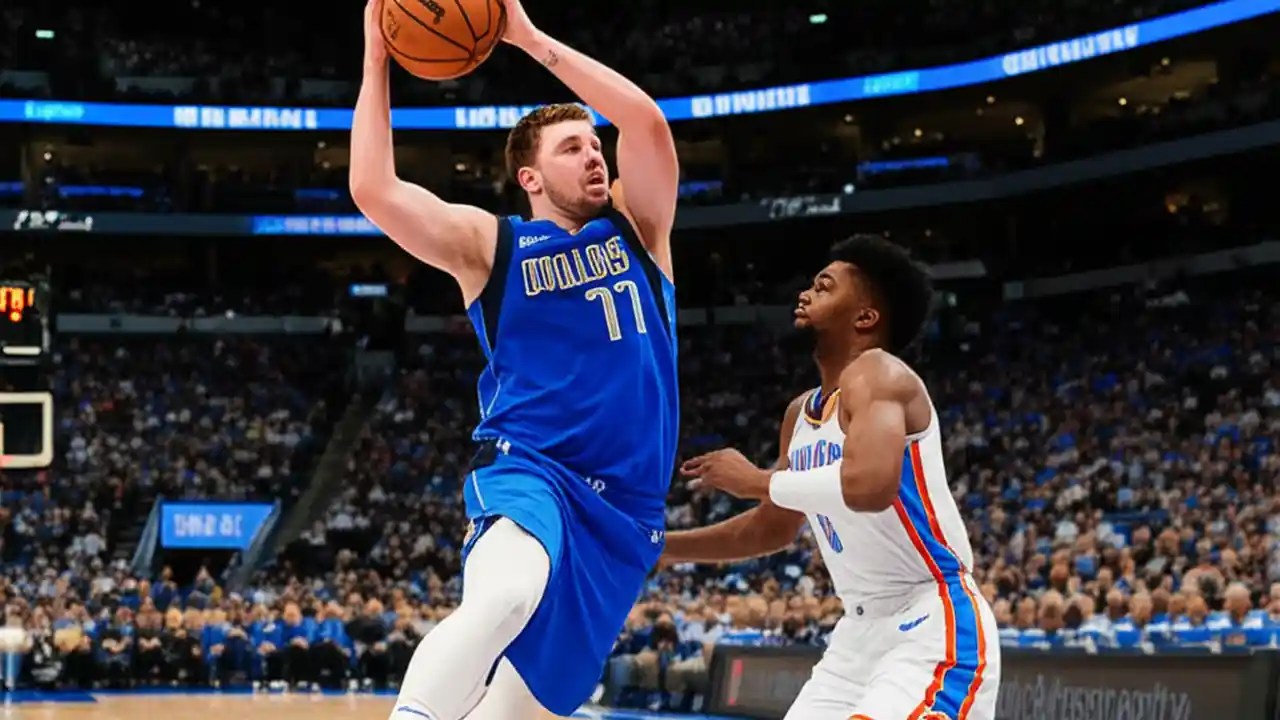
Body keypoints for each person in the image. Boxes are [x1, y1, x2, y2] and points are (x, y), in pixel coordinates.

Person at [349, 0, 680, 716]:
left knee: (514, 712)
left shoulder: (641, 228)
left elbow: (647, 124)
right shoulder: (491, 246)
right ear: (529, 178)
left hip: (627, 512)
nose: (594, 155)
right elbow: (374, 190)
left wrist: (528, 39)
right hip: (533, 468)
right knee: (505, 594)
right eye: (571, 148)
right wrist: (377, 59)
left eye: (595, 144)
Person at [663, 235, 1001, 719]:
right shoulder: (800, 413)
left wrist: (756, 479)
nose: (805, 294)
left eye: (823, 287)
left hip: (930, 621)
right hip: (856, 636)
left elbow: (871, 487)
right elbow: (772, 528)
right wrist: (665, 549)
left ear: (865, 318)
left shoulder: (880, 373)